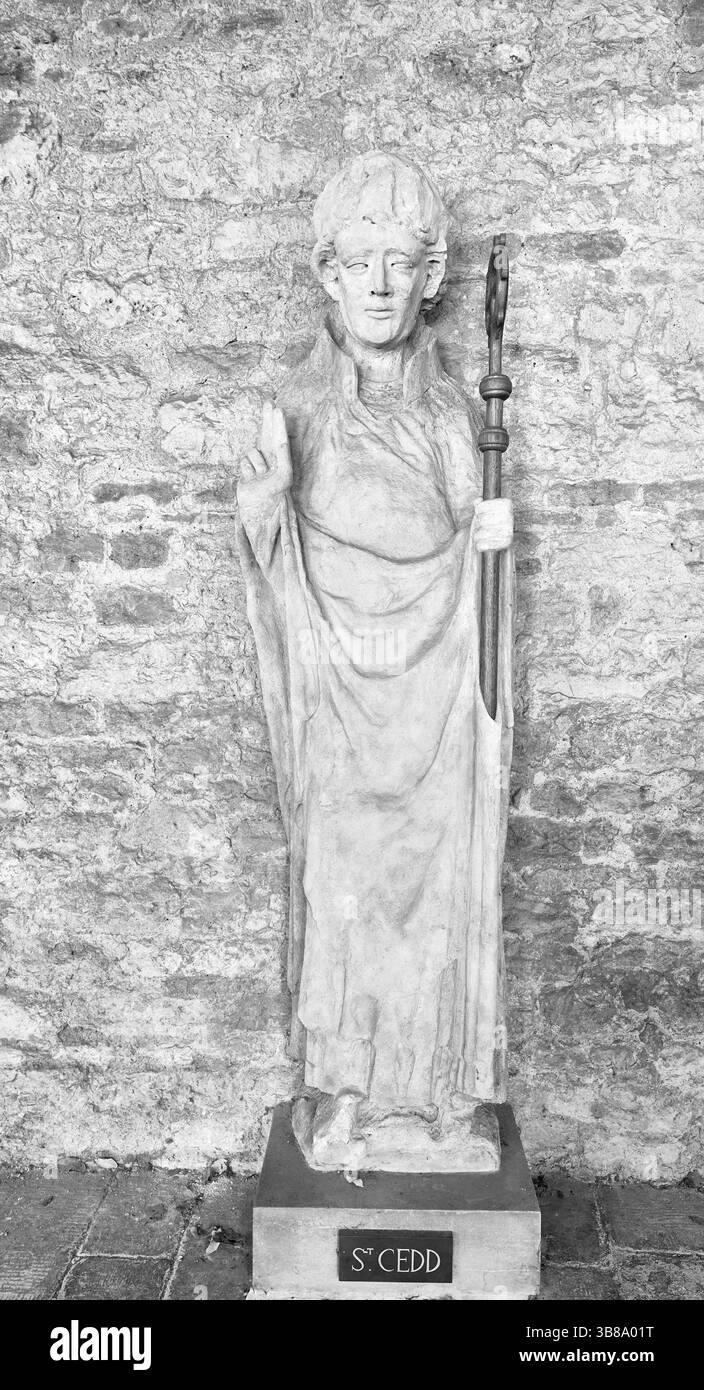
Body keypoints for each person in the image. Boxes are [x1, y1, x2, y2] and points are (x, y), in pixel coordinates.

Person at [237, 151, 514, 1171]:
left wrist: (492, 534)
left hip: (435, 710)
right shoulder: (299, 419)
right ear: (328, 276)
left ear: (431, 278)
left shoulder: (455, 423)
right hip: (340, 705)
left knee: (434, 902)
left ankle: (438, 1103)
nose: (380, 286)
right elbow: (278, 577)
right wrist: (263, 519)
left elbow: (475, 564)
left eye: (399, 263)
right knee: (343, 898)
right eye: (359, 263)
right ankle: (345, 1098)